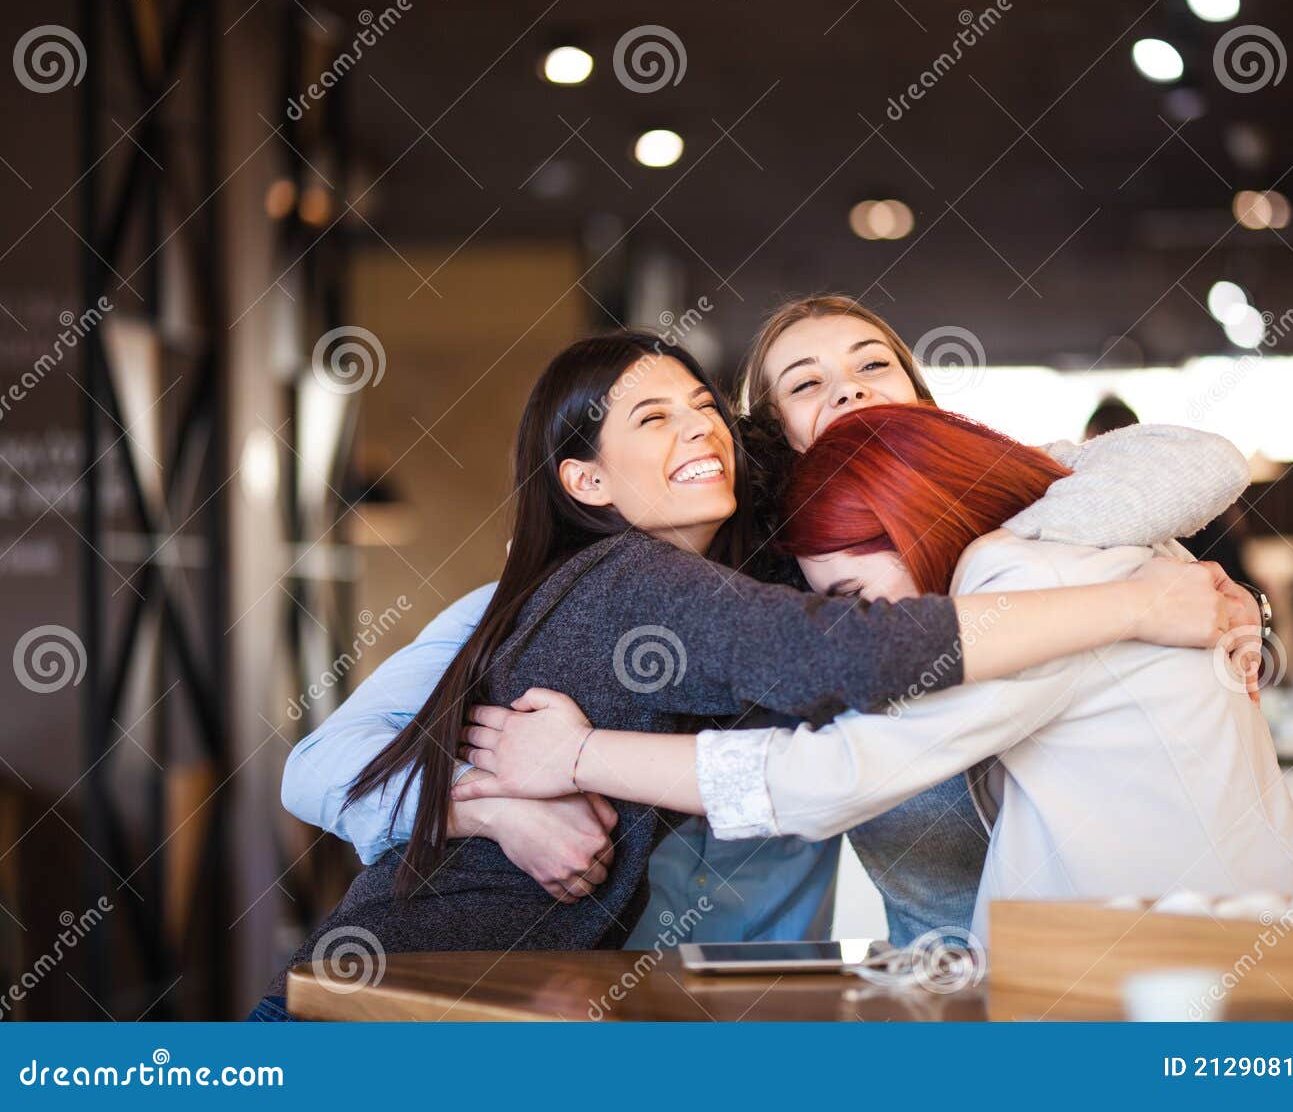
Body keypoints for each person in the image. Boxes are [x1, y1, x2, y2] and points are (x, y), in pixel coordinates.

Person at [255, 332, 1240, 1017]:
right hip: (436, 996)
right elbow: (851, 661)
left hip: (590, 993)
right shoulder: (626, 582)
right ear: (588, 480)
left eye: (699, 405)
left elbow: (1135, 475)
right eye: (805, 383)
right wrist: (491, 803)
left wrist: (1170, 575)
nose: (848, 395)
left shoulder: (881, 566)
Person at [453, 404, 1293, 943]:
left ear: (915, 517)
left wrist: (575, 756)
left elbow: (829, 774)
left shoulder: (1016, 576)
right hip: (1225, 946)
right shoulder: (1097, 546)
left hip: (1170, 975)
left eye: (860, 597)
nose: (874, 631)